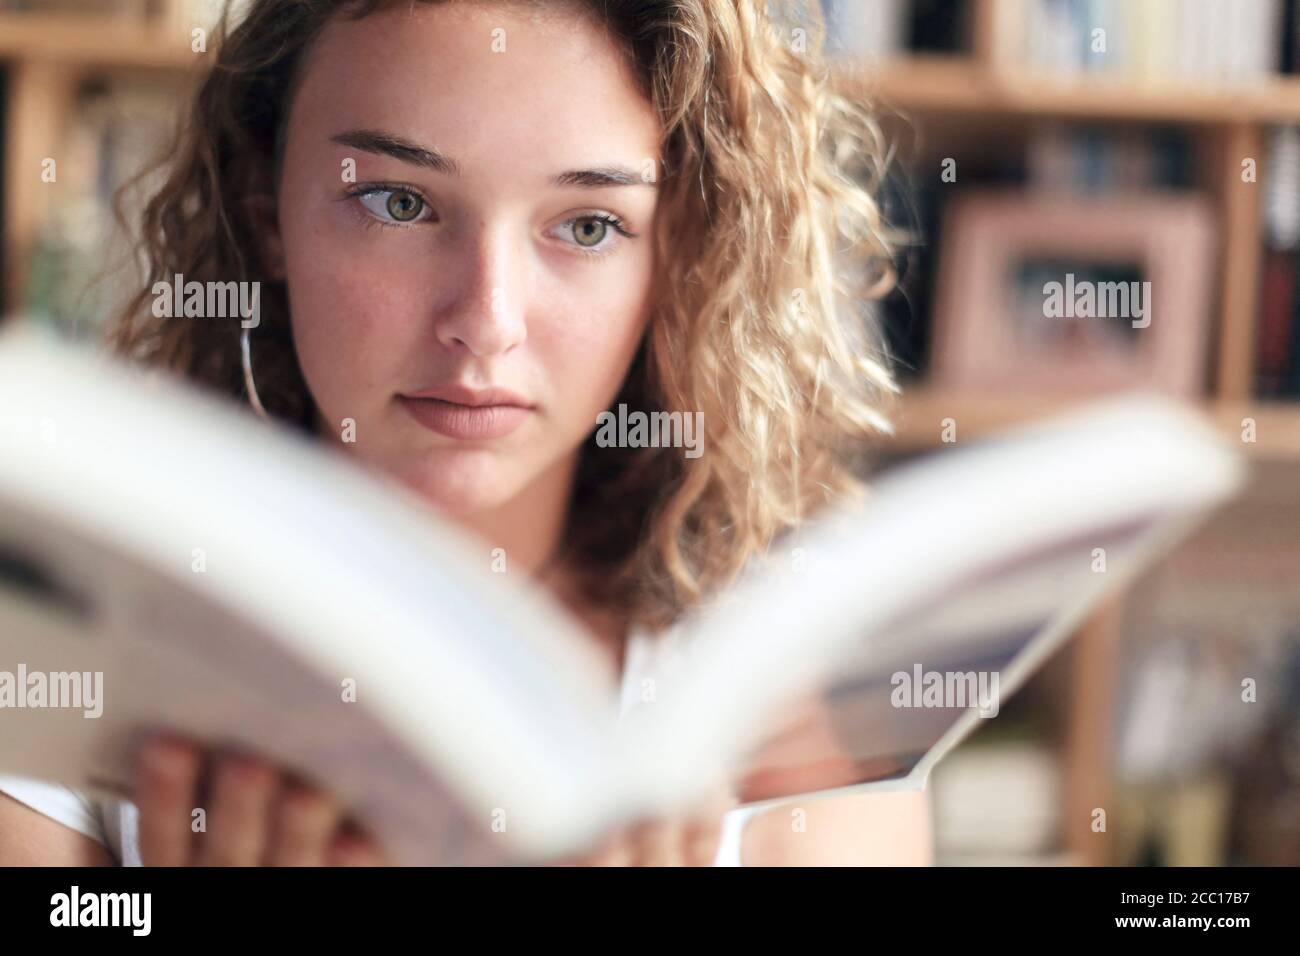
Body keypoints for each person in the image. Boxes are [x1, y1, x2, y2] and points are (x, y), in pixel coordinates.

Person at [0, 0, 930, 866]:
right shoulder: (53, 667)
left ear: (680, 251)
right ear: (264, 210)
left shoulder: (795, 712)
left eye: (590, 225)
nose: (486, 321)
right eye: (399, 202)